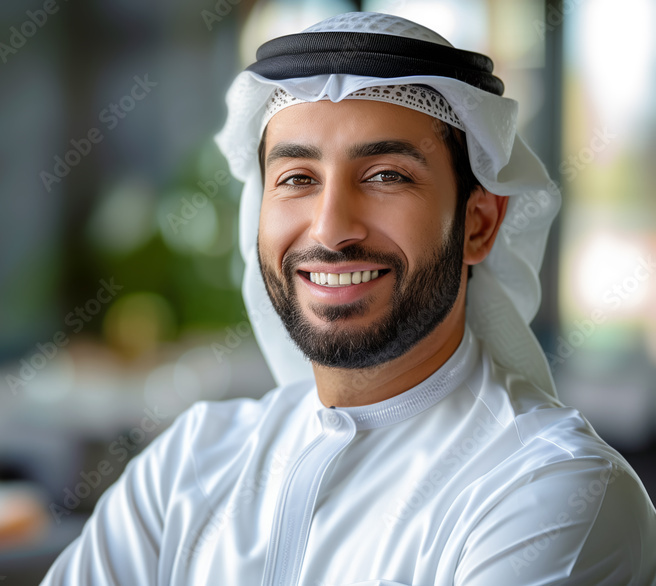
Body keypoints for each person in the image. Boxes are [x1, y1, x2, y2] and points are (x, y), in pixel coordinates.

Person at [41, 12, 656, 585]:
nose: (331, 228)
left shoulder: (549, 489)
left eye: (386, 175)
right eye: (298, 179)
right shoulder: (191, 461)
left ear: (478, 224)